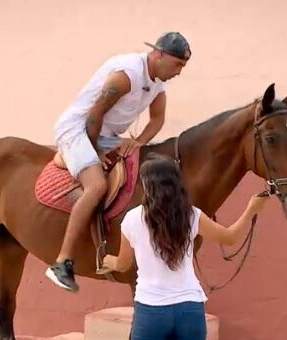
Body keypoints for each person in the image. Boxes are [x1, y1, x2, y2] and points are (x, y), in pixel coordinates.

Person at [46, 31, 192, 293]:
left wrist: (138, 142)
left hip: (106, 134)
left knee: (142, 161)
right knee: (96, 186)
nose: (179, 71)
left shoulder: (158, 84)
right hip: (79, 129)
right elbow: (94, 114)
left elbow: (157, 120)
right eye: (178, 64)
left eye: (183, 66)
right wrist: (96, 154)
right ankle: (61, 262)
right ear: (158, 55)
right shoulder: (126, 75)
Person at [101, 158, 268, 340]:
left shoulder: (132, 219)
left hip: (150, 313)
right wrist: (251, 209)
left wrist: (108, 261)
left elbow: (123, 264)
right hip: (189, 311)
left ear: (146, 185)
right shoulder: (191, 215)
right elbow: (229, 238)